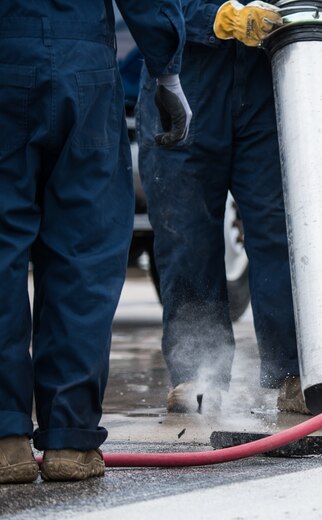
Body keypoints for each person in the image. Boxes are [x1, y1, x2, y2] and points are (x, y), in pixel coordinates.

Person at [136, 1, 322, 414]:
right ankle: (198, 373)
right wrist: (216, 17)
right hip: (185, 74)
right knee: (186, 235)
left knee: (282, 228)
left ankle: (294, 373)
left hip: (270, 74)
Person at [0, 1, 190, 483]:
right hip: (85, 71)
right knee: (82, 256)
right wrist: (166, 72)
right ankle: (71, 441)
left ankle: (6, 442)